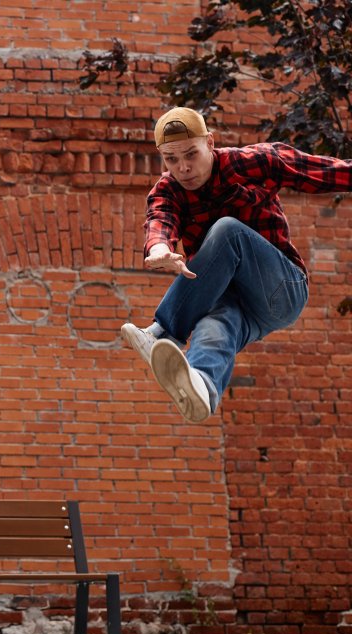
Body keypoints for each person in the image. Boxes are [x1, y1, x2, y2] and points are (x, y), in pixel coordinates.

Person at [121, 107, 352, 422]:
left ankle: (165, 332)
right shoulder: (168, 190)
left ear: (210, 143)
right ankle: (203, 385)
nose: (184, 168)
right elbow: (160, 218)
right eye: (171, 159)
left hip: (281, 288)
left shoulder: (252, 162)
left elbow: (322, 171)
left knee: (228, 231)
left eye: (191, 154)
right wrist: (160, 247)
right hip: (242, 305)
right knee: (214, 324)